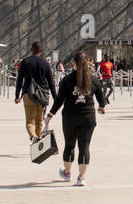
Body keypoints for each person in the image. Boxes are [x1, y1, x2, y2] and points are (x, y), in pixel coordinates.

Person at [42, 52, 108, 186]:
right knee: (84, 146)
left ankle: (67, 174)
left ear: (74, 64)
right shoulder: (94, 80)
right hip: (88, 118)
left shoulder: (66, 80)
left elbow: (59, 100)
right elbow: (102, 99)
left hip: (70, 118)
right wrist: (101, 108)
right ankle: (81, 177)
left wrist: (50, 115)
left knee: (69, 145)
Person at [17, 42, 57, 141]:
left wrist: (17, 95)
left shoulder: (25, 62)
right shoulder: (45, 63)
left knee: (30, 121)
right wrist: (56, 98)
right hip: (42, 95)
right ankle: (38, 140)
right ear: (41, 50)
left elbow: (19, 79)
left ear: (31, 49)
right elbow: (51, 82)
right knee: (39, 121)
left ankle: (33, 136)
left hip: (28, 93)